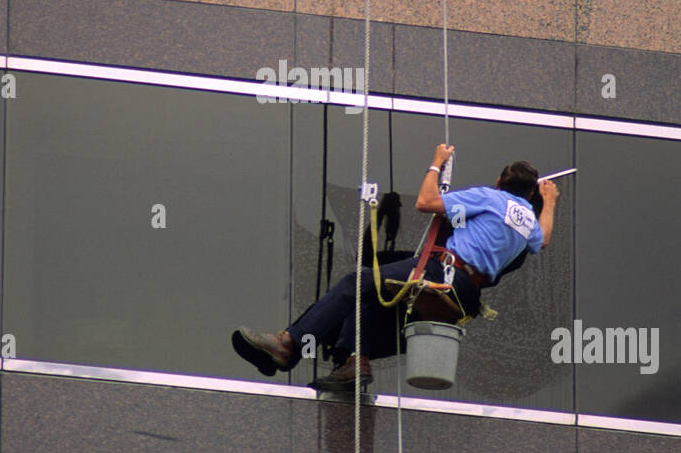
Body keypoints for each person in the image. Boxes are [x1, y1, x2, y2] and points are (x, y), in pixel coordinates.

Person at [231, 147, 559, 391]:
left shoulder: (490, 197)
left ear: (499, 181)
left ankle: (288, 344)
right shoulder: (529, 221)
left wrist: (435, 163)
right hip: (467, 296)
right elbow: (543, 240)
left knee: (354, 281)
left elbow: (425, 202)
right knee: (369, 294)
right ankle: (354, 363)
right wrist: (550, 199)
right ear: (531, 193)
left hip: (443, 273)